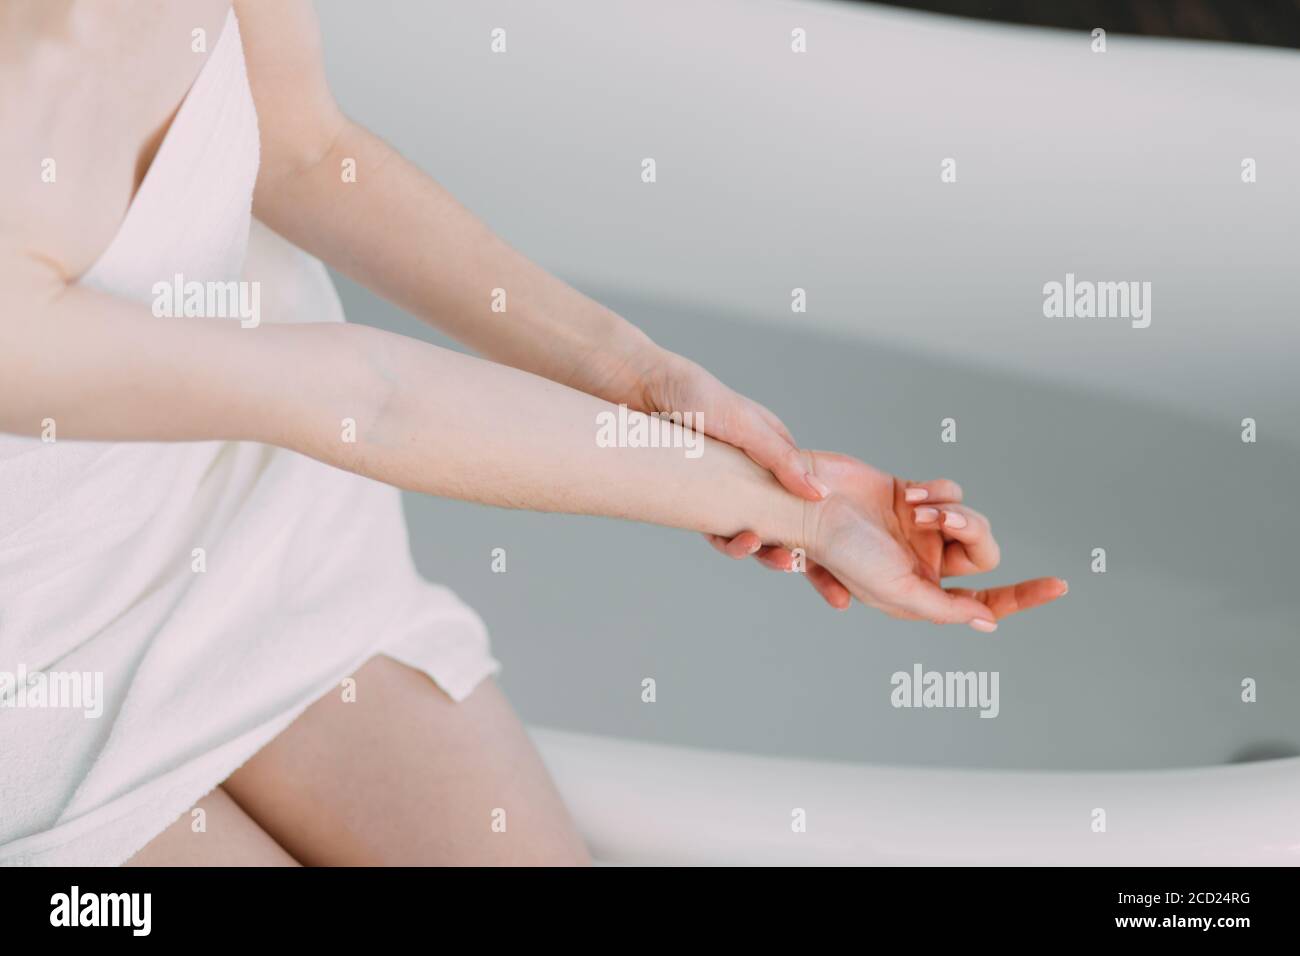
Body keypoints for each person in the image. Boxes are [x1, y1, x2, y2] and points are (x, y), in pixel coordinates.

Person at [0, 0, 1066, 866]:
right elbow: (367, 397)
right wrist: (797, 510)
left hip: (252, 531)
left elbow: (306, 150)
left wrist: (643, 373)